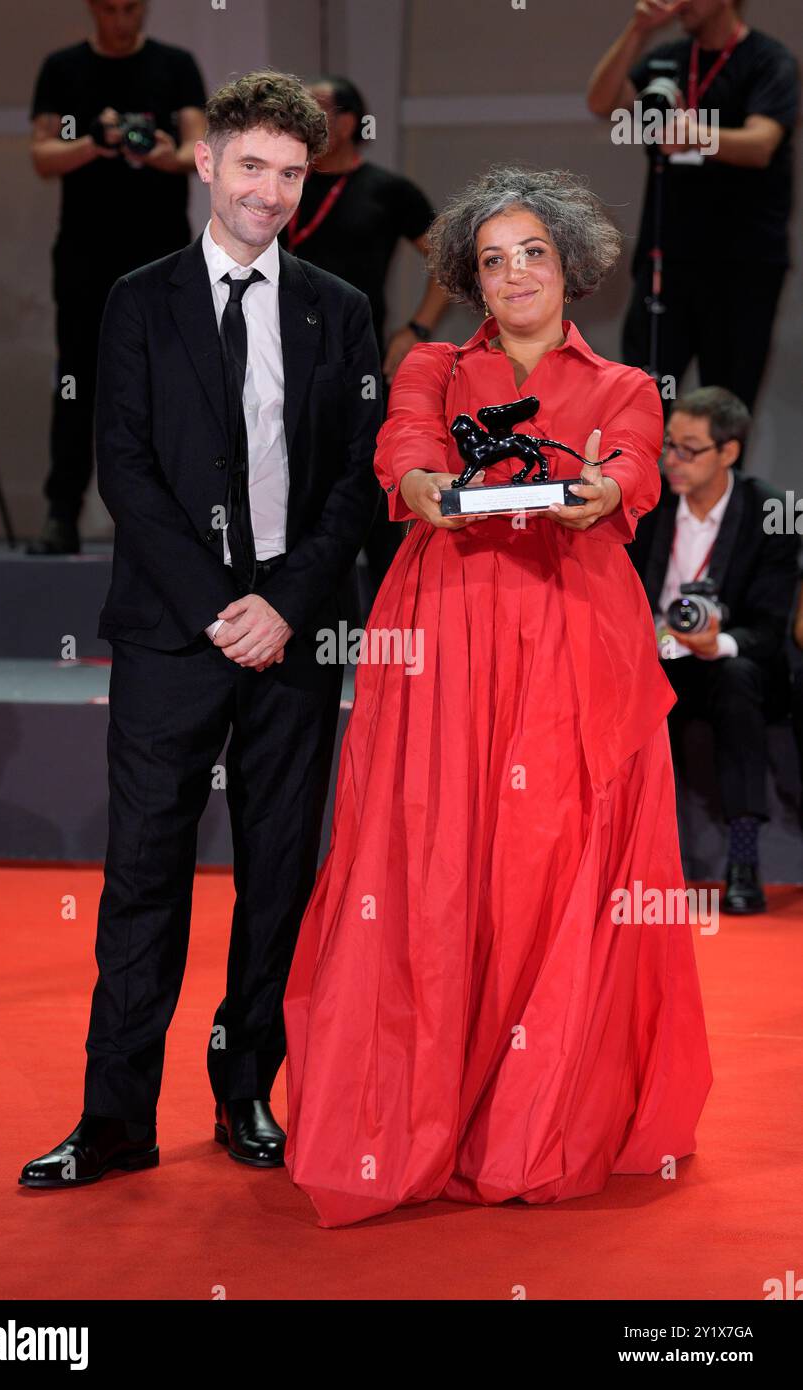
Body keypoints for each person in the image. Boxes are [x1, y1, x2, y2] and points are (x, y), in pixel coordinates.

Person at [283, 166, 713, 1228]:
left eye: (531, 251)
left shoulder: (618, 383)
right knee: (436, 855)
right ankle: (420, 1111)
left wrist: (604, 491)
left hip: (575, 636)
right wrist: (424, 488)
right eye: (491, 257)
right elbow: (407, 453)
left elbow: (634, 468)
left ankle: (538, 1114)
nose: (515, 271)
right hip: (448, 629)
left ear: (567, 263)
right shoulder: (431, 364)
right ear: (467, 280)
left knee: (556, 864)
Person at [18, 70, 383, 1188]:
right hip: (178, 634)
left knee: (276, 875)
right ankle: (116, 1116)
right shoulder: (136, 299)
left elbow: (355, 484)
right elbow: (121, 467)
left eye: (291, 171)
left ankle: (244, 1095)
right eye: (252, 166)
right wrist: (219, 609)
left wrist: (284, 605)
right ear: (207, 161)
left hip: (293, 633)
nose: (269, 192)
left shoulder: (341, 306)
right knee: (142, 878)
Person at [26, 0, 207, 554]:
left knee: (166, 382)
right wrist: (94, 144)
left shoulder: (175, 64)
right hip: (84, 254)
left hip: (160, 254)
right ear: (92, 10)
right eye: (109, 9)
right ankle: (62, 512)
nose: (121, 20)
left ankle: (172, 516)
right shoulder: (62, 67)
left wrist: (157, 154)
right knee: (76, 379)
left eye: (130, 9)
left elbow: (196, 151)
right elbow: (41, 154)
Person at [627, 387, 799, 912]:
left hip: (732, 661)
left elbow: (771, 628)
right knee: (630, 681)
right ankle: (636, 864)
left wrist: (715, 640)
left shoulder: (772, 510)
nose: (671, 461)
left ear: (729, 452)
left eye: (689, 449)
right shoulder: (648, 501)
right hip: (657, 653)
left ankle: (743, 862)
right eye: (669, 445)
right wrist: (659, 639)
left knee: (739, 679)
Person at [279, 75, 450, 599]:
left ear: (349, 121)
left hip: (358, 364)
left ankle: (391, 627)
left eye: (314, 111)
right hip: (279, 360)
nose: (300, 122)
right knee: (290, 496)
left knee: (370, 493)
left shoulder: (386, 189)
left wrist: (417, 328)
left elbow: (448, 262)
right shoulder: (282, 184)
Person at [587, 0, 799, 414]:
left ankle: (719, 478)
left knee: (725, 408)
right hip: (666, 260)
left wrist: (696, 135)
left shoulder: (769, 60)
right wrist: (637, 29)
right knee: (640, 401)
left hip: (742, 268)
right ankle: (642, 480)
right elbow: (601, 102)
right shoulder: (666, 60)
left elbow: (761, 145)